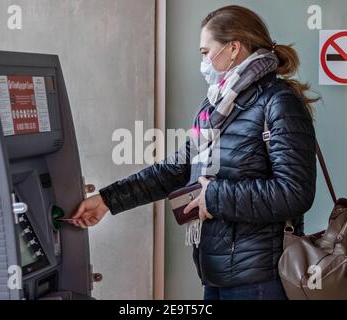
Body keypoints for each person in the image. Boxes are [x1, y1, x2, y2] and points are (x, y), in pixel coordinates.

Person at [70, 5, 318, 300]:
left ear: (234, 48)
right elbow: (175, 169)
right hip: (216, 274)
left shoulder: (279, 103)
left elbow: (295, 192)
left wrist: (215, 196)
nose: (202, 61)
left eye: (205, 52)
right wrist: (107, 200)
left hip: (259, 280)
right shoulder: (216, 106)